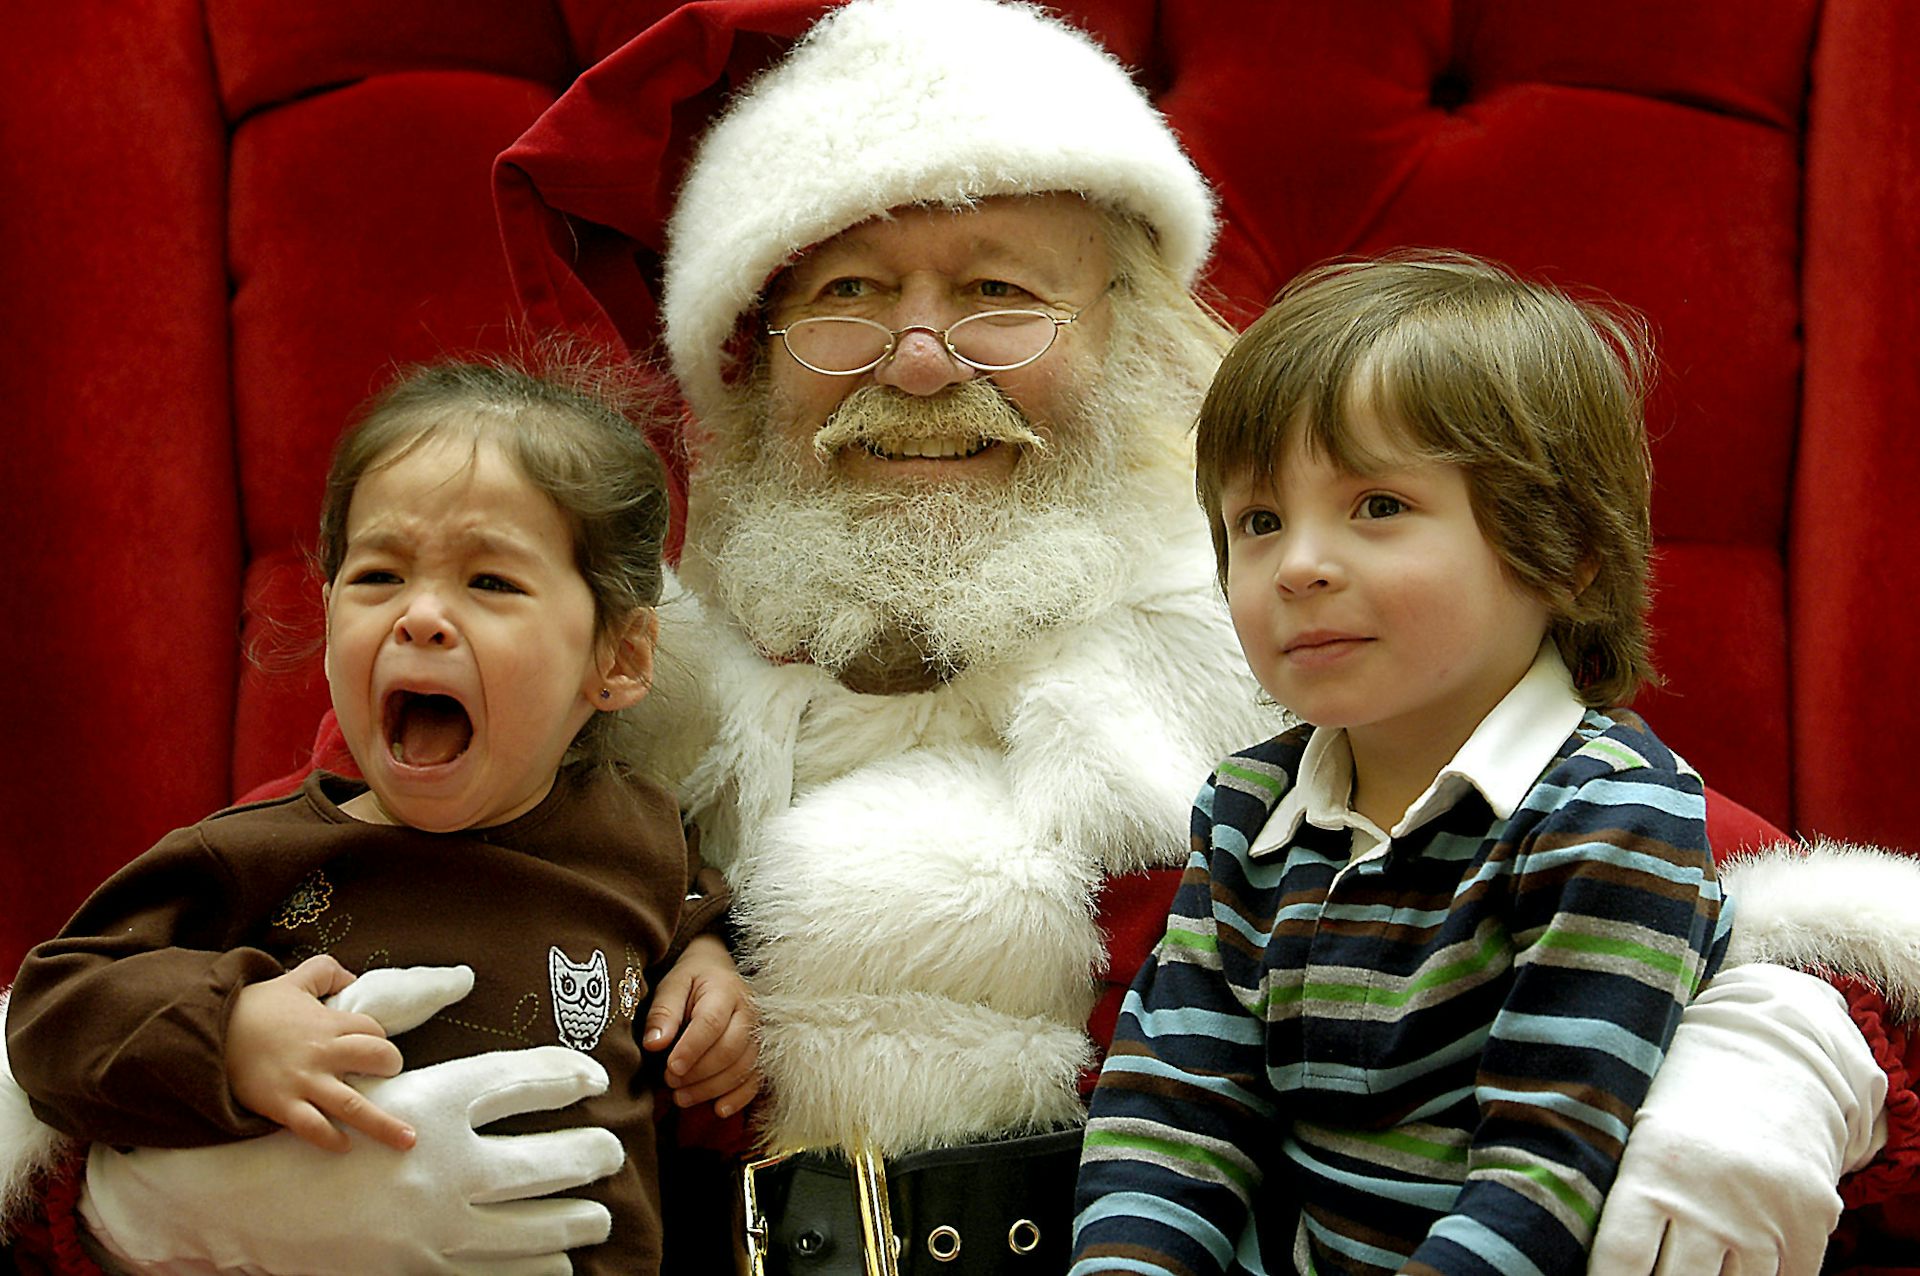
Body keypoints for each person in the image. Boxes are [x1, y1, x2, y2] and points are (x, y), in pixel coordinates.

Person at [1, 1, 1915, 1273]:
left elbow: (1744, 896)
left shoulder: (1295, 652)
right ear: (743, 369)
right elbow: (145, 982)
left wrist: (1776, 1052)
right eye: (847, 301)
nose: (920, 365)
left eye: (1000, 295)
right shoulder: (587, 676)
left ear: (1140, 342)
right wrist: (187, 1203)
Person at [4, 355, 758, 1276]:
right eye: (377, 578)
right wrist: (230, 1034)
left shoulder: (637, 834)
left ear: (621, 657)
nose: (422, 617)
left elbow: (691, 911)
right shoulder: (253, 857)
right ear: (327, 621)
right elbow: (52, 1012)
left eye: (491, 582)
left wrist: (714, 971)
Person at [1069, 252, 1727, 1274]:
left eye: (1376, 505)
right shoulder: (1249, 809)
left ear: (1564, 547)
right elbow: (1174, 1114)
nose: (1298, 565)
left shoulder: (1610, 815)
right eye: (1259, 521)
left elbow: (1546, 1179)